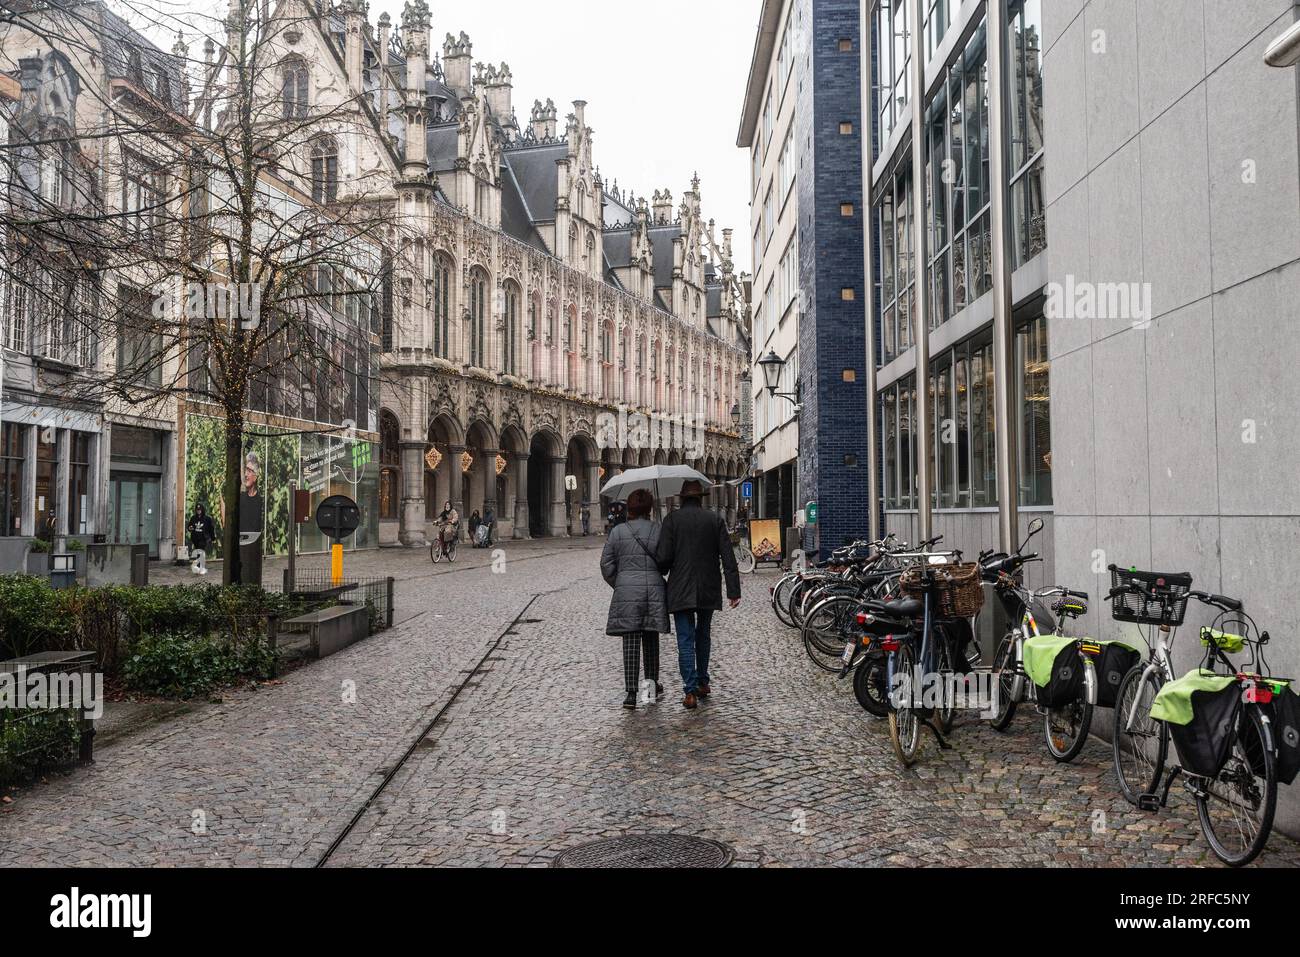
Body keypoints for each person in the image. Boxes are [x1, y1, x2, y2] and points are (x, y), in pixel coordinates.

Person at [656, 479, 741, 710]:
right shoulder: (714, 520)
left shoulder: (671, 520)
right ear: (700, 499)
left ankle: (690, 691)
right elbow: (728, 556)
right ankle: (703, 681)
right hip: (708, 586)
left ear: (682, 499)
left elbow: (663, 559)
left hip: (680, 587)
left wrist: (662, 568)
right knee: (703, 635)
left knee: (685, 638)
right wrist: (733, 590)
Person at [601, 489, 668, 710]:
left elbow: (606, 564)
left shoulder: (617, 532)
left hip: (626, 592)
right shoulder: (657, 530)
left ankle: (630, 694)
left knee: (630, 642)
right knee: (650, 640)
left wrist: (620, 583)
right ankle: (649, 691)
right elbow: (665, 562)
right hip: (653, 593)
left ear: (629, 508)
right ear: (649, 509)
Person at [187, 504, 216, 576]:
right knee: (198, 552)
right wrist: (190, 528)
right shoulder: (193, 518)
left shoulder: (207, 519)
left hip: (204, 538)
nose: (198, 511)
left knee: (200, 551)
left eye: (199, 510)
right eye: (197, 510)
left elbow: (211, 529)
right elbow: (190, 526)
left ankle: (201, 567)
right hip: (195, 538)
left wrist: (213, 538)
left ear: (202, 510)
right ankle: (200, 567)